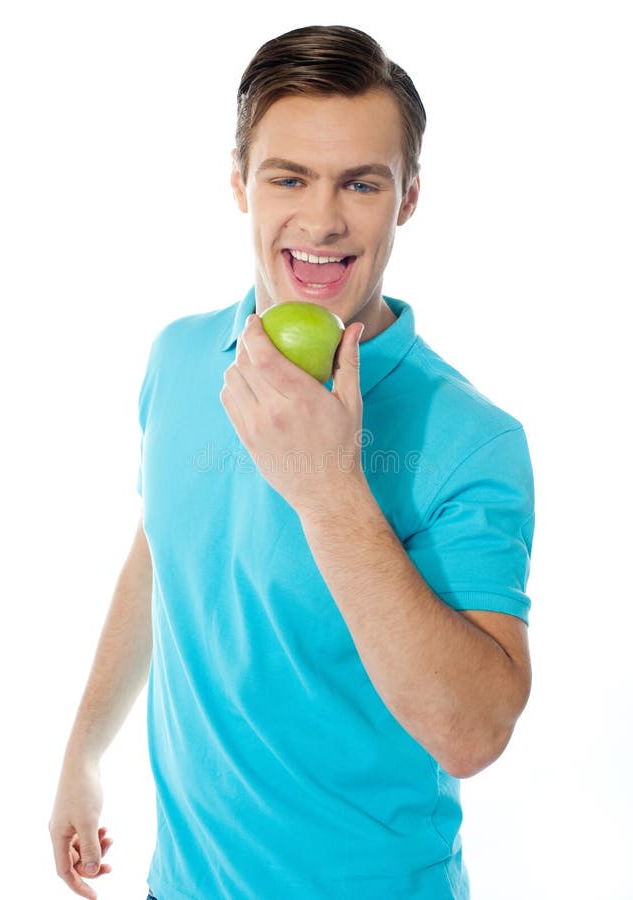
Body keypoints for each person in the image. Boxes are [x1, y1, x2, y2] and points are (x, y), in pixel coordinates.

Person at [49, 24, 535, 900]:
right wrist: (83, 753)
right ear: (240, 182)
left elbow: (473, 732)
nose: (320, 220)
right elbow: (161, 553)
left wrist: (328, 490)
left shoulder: (471, 438)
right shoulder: (180, 356)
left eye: (360, 182)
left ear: (408, 196)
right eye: (288, 178)